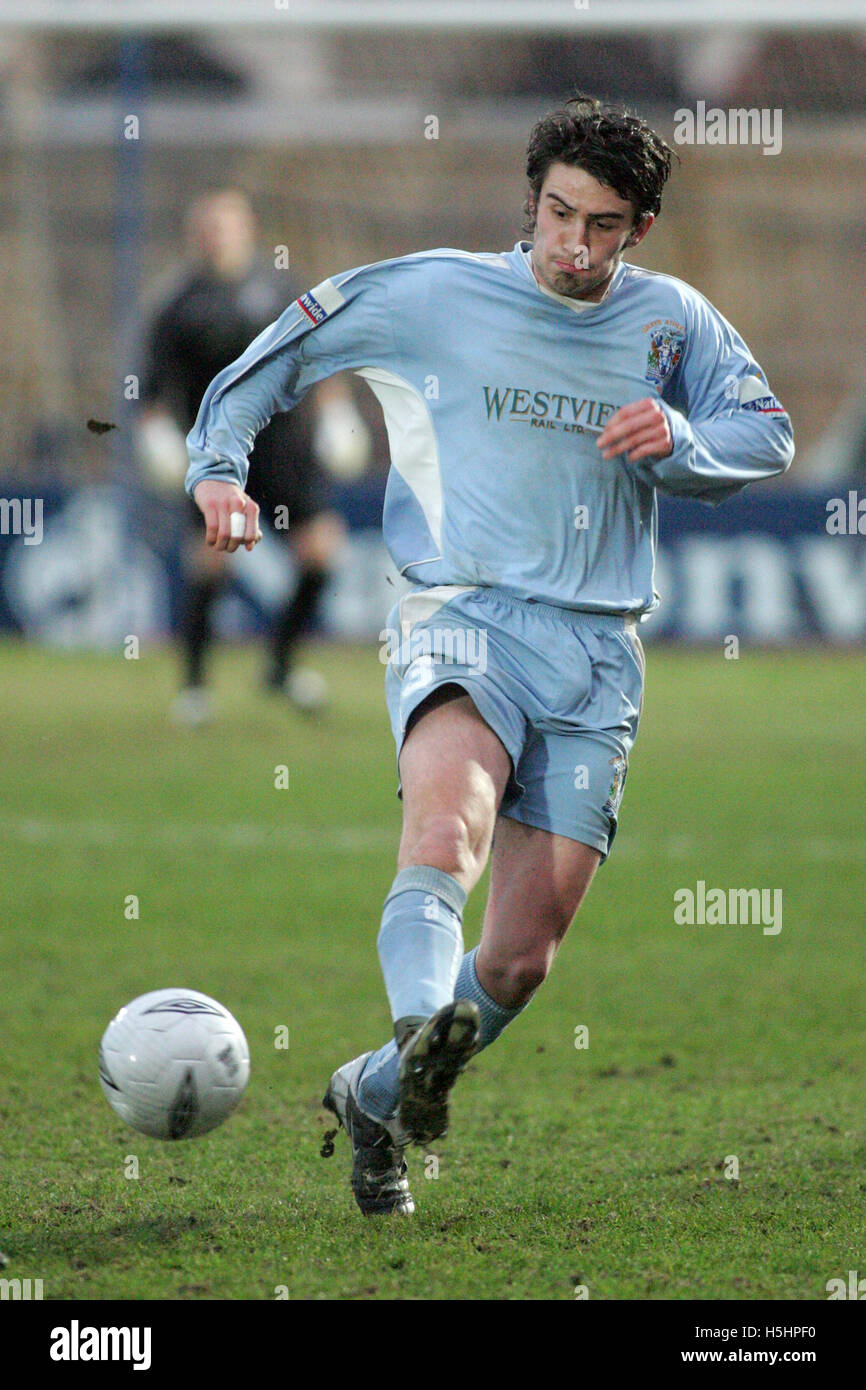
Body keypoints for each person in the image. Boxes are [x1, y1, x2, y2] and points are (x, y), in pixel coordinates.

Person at [184, 95, 794, 1215]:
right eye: (556, 213)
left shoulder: (674, 325)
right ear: (530, 202)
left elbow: (766, 432)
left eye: (600, 225)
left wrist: (685, 438)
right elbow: (268, 359)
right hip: (457, 614)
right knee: (445, 823)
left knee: (518, 962)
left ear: (638, 228)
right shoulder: (431, 291)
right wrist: (217, 468)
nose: (572, 243)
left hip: (598, 650)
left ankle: (374, 1093)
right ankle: (420, 1032)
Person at [138, 187, 369, 722]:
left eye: (226, 224)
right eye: (207, 226)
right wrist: (158, 437)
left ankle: (280, 668)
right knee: (210, 562)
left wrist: (337, 414)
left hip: (285, 448)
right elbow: (150, 390)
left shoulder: (280, 289)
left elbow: (319, 357)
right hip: (220, 453)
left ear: (247, 229)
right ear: (194, 234)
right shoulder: (176, 304)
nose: (216, 235)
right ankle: (194, 688)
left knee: (321, 554)